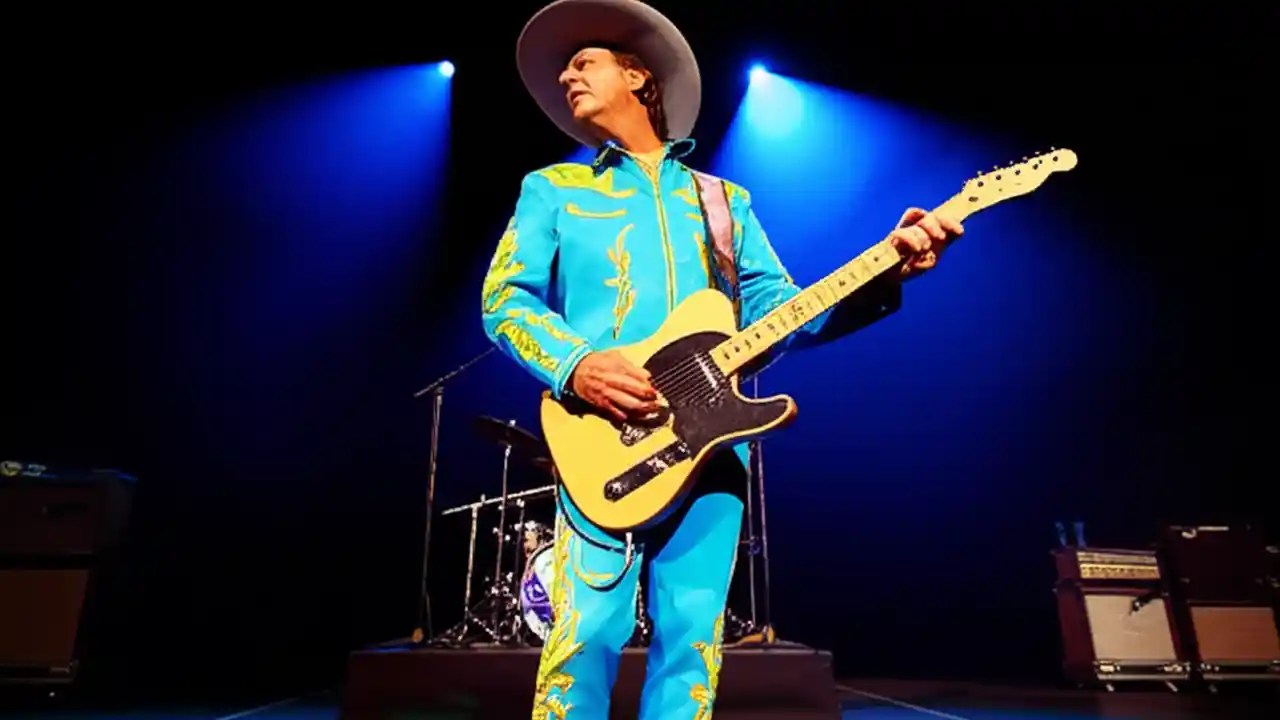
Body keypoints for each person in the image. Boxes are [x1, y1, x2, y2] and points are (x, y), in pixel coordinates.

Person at [480, 2, 963, 717]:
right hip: (603, 444)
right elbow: (505, 300)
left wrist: (886, 271)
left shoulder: (722, 202)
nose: (566, 75)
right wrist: (579, 365)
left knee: (692, 651)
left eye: (584, 62)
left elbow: (788, 315)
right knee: (583, 639)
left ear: (638, 75)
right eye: (566, 67)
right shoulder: (554, 189)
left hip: (713, 450)